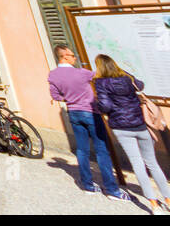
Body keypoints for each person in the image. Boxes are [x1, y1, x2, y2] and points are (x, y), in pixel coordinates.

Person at [93, 54, 170, 214]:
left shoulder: (101, 82)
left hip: (120, 127)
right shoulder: (126, 78)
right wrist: (123, 72)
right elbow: (140, 85)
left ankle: (153, 204)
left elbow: (105, 105)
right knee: (153, 163)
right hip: (140, 124)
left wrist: (99, 105)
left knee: (138, 164)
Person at [47, 44, 126, 200]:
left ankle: (88, 185)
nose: (75, 58)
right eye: (72, 55)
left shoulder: (53, 75)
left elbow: (56, 96)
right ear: (64, 57)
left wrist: (70, 98)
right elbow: (102, 76)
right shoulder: (81, 73)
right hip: (91, 113)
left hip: (73, 113)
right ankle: (111, 189)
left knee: (82, 150)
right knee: (102, 150)